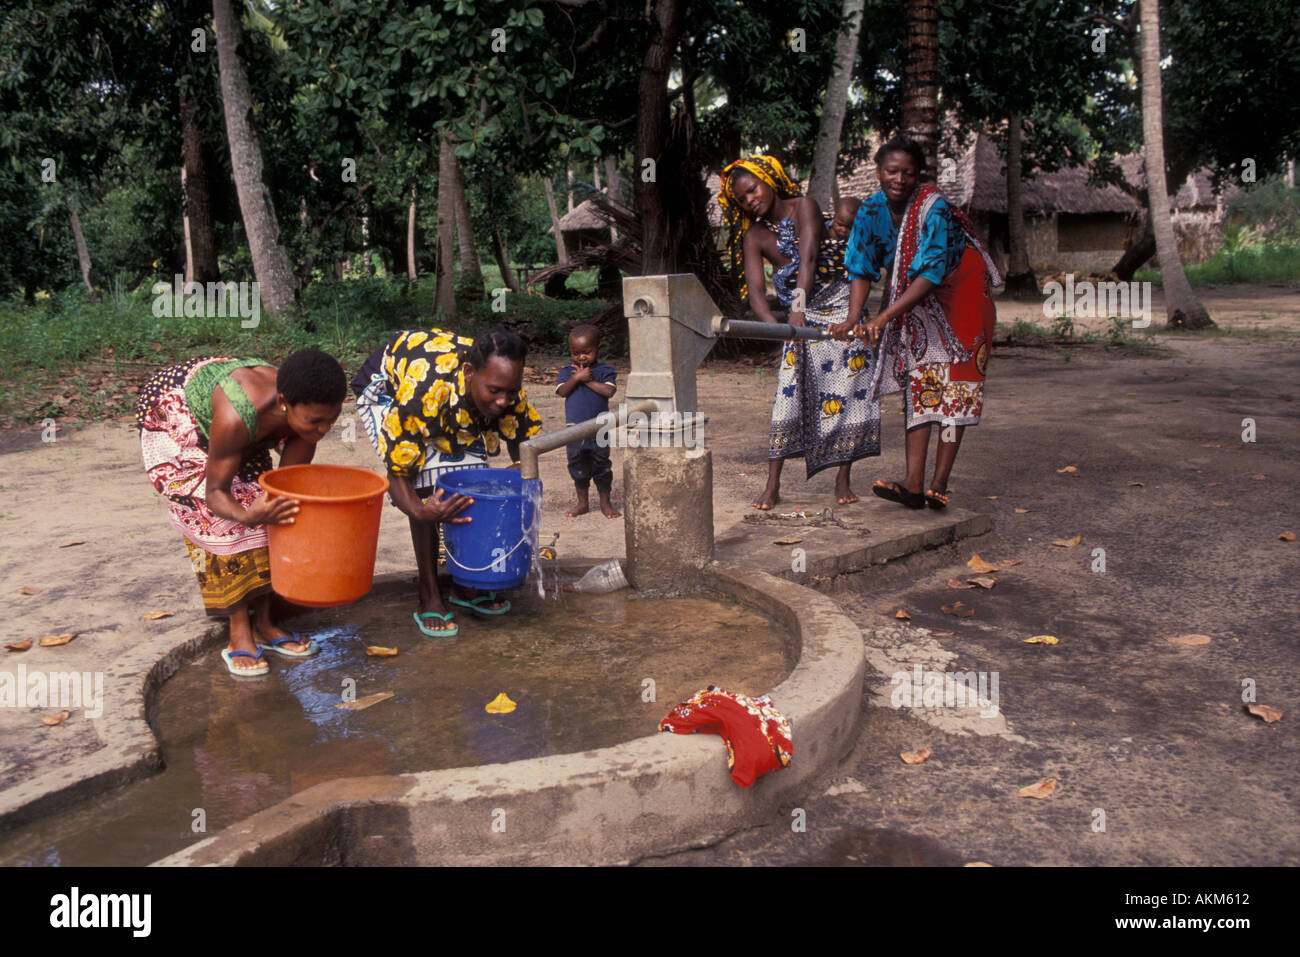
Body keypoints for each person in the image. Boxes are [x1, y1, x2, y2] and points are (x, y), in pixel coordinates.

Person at [137, 349, 347, 677]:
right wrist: (247, 515)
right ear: (284, 403)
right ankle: (238, 631)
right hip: (182, 414)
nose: (322, 430)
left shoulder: (305, 422)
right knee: (220, 523)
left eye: (330, 421)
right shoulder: (236, 417)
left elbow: (282, 487)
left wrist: (266, 511)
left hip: (242, 420)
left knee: (270, 511)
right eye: (314, 421)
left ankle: (263, 622)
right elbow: (215, 493)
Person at [831, 137, 1002, 509]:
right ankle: (912, 482)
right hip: (917, 289)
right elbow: (861, 265)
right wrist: (853, 317)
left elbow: (931, 271)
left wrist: (884, 317)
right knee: (921, 375)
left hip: (963, 288)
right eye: (892, 171)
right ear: (878, 171)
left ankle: (938, 484)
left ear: (919, 175)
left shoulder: (933, 207)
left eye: (908, 173)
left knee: (956, 384)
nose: (899, 179)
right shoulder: (870, 211)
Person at [352, 326, 543, 637]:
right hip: (389, 387)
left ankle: (465, 584)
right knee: (430, 488)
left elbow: (527, 448)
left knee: (473, 479)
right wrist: (419, 510)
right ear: (469, 372)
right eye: (494, 391)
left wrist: (517, 468)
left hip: (454, 398)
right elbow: (399, 474)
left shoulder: (505, 386)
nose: (502, 401)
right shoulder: (421, 396)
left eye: (510, 391)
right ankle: (429, 593)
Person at [719, 155, 879, 509]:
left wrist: (798, 308)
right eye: (741, 199)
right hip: (797, 322)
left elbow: (807, 259)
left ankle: (842, 478)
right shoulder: (755, 235)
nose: (750, 200)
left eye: (752, 189)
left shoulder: (804, 205)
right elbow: (757, 293)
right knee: (786, 397)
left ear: (769, 179)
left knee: (848, 392)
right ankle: (773, 484)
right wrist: (777, 328)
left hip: (839, 308)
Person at [555, 324, 620, 519]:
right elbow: (562, 391)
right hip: (574, 430)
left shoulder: (604, 370)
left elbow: (609, 391)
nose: (581, 357)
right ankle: (582, 503)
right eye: (576, 353)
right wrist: (577, 378)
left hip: (600, 428)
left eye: (586, 352)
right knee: (577, 465)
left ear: (598, 349)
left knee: (602, 464)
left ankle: (605, 503)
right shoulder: (568, 371)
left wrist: (587, 380)